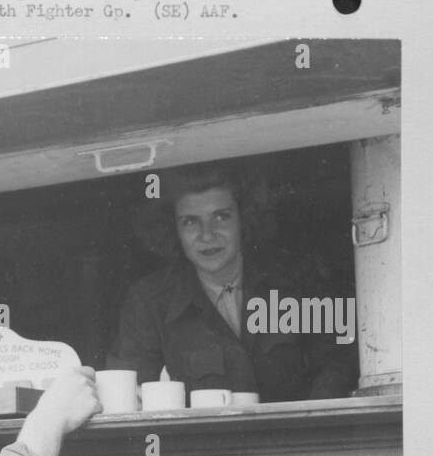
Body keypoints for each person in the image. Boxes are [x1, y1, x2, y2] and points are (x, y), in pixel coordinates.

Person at [106, 162, 358, 402]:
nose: (207, 235)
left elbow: (339, 362)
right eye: (191, 221)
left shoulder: (297, 280)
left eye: (221, 216)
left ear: (244, 218)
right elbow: (128, 391)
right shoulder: (148, 303)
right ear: (174, 229)